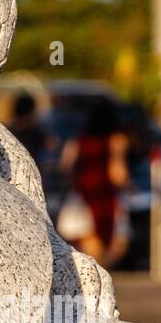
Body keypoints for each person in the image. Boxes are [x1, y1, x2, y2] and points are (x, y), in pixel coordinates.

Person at [58, 98, 131, 267]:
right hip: (105, 196)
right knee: (117, 242)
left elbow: (66, 165)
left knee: (89, 242)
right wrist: (129, 186)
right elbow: (117, 173)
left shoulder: (79, 138)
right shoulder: (116, 139)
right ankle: (101, 277)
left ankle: (93, 279)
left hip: (83, 193)